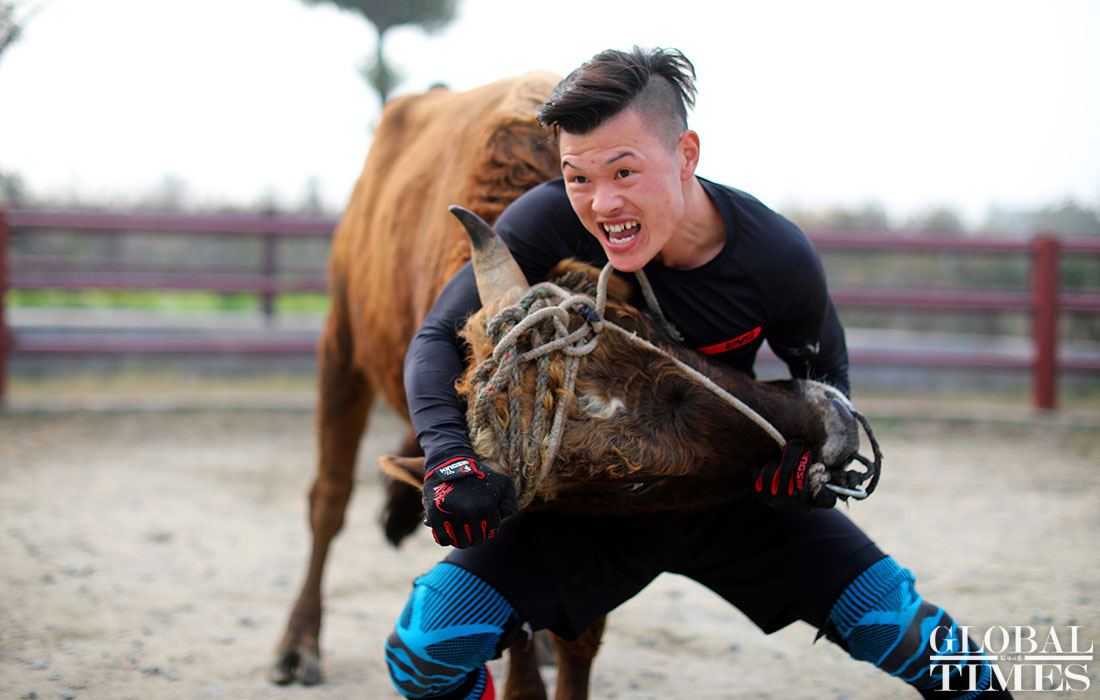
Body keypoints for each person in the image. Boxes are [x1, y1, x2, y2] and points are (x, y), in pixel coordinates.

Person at [385, 47, 1010, 699]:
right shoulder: (545, 222)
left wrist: (807, 475)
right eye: (578, 177)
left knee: (921, 644)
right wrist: (450, 459)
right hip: (588, 508)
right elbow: (435, 338)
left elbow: (828, 386)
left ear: (686, 154)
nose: (602, 204)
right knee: (424, 653)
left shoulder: (775, 256)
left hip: (734, 497)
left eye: (625, 171)